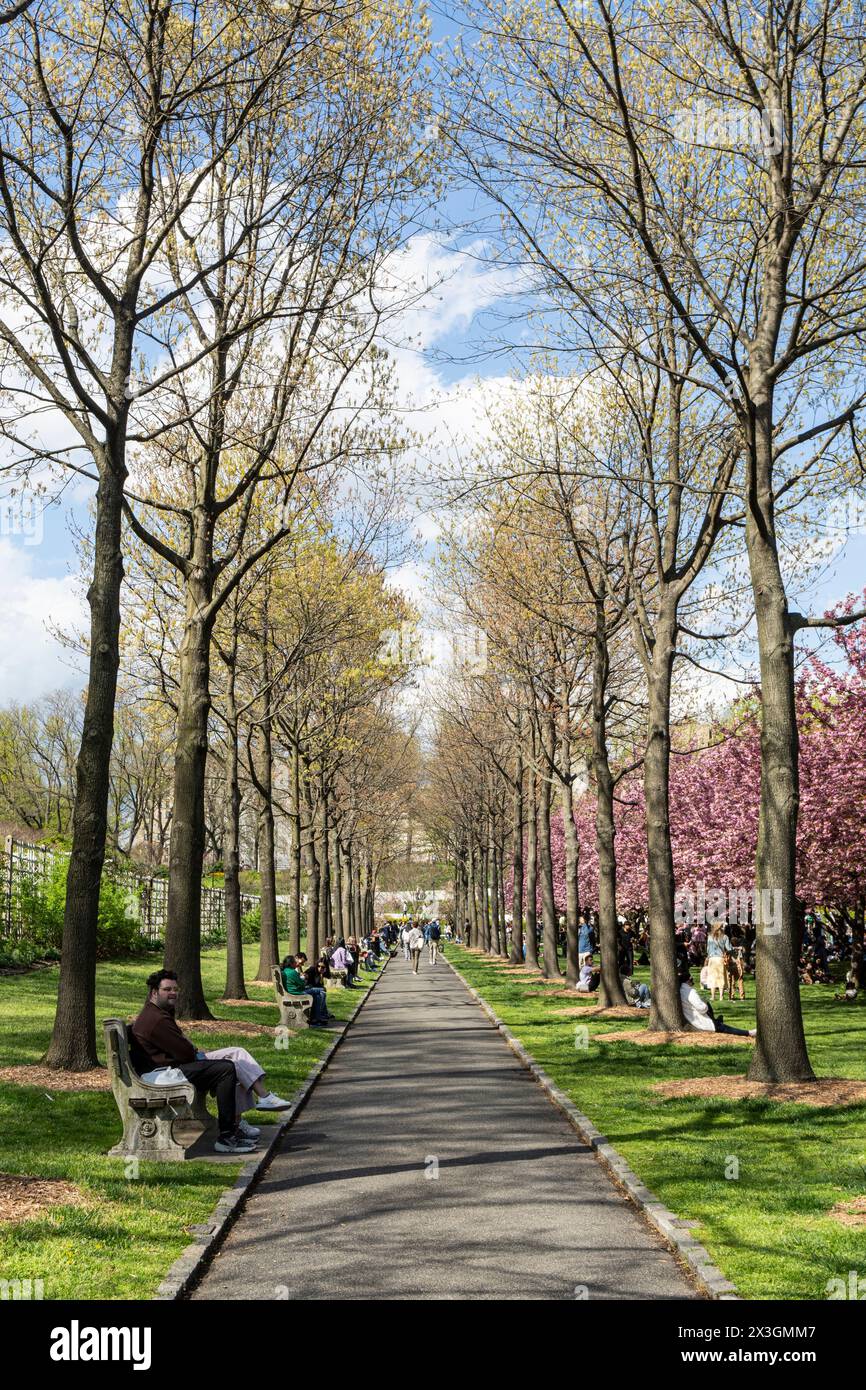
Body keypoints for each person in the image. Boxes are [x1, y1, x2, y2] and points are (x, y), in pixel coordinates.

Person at [131, 969, 291, 1154]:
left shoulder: (158, 1013)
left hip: (172, 1066)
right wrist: (190, 1047)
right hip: (162, 1074)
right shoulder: (156, 1019)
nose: (173, 992)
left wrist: (189, 1047)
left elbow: (183, 1047)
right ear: (154, 992)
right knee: (227, 1068)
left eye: (175, 989)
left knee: (236, 1055)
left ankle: (256, 1105)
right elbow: (185, 1052)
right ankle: (228, 1134)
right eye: (167, 989)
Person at [678, 964, 755, 1037]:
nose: (693, 982)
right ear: (687, 981)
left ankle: (717, 1021)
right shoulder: (690, 992)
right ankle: (748, 1033)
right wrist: (705, 1004)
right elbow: (702, 1009)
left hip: (695, 1019)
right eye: (691, 980)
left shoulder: (682, 990)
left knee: (720, 1024)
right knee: (725, 1028)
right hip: (701, 1022)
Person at [281, 955, 330, 1025]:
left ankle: (316, 1019)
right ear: (291, 964)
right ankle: (317, 1018)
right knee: (321, 990)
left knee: (318, 996)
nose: (296, 964)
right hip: (296, 993)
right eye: (295, 962)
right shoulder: (292, 972)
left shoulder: (285, 971)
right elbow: (302, 984)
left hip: (293, 992)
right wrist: (303, 979)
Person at [704, 922, 731, 1001]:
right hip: (720, 959)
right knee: (721, 977)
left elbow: (708, 949)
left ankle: (713, 996)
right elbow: (729, 948)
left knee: (712, 977)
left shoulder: (710, 937)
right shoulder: (725, 937)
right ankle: (721, 997)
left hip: (712, 959)